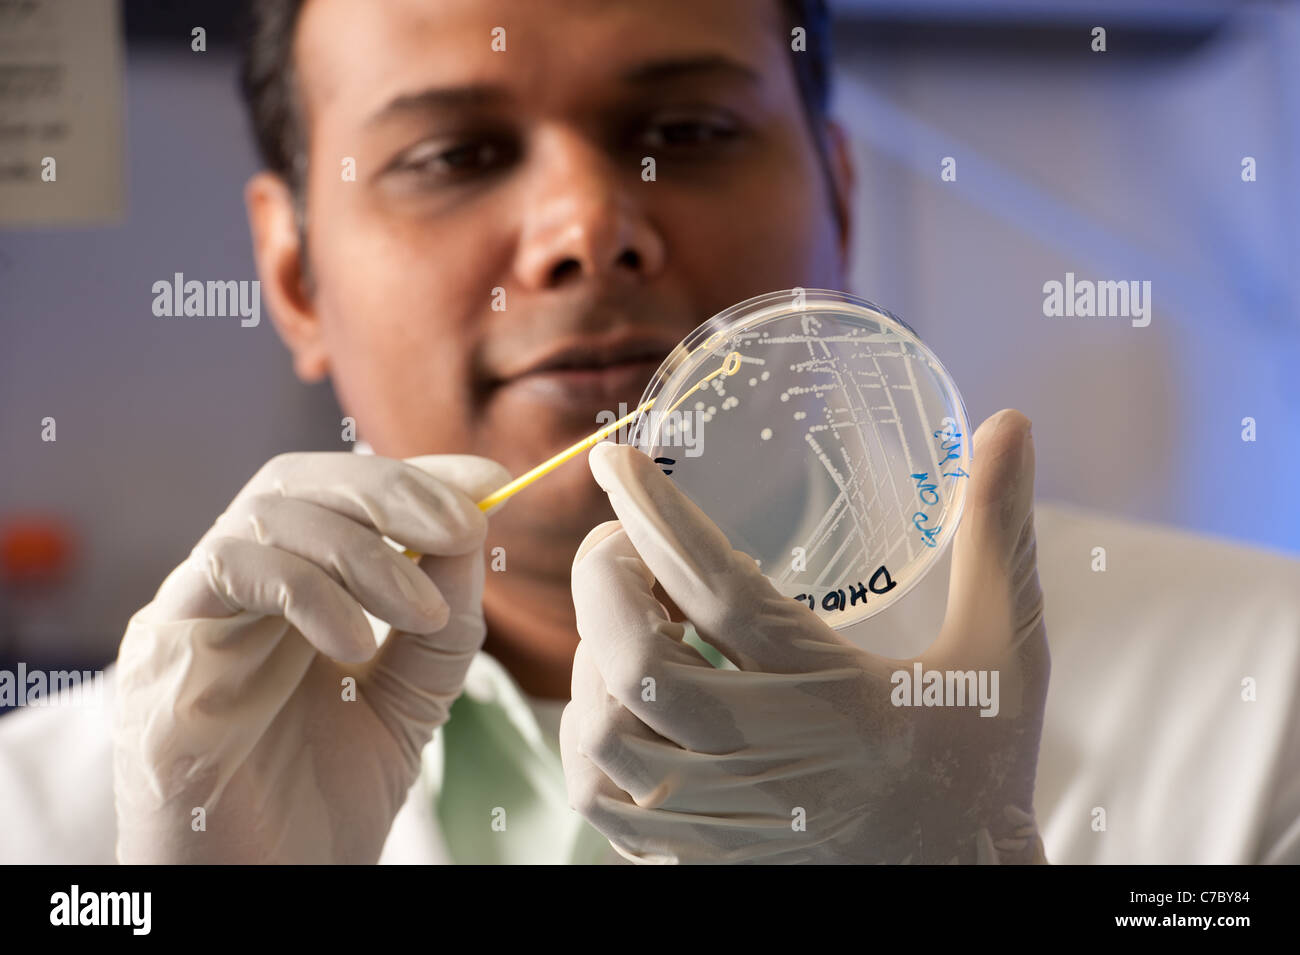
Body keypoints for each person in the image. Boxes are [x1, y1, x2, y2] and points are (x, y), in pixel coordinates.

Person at [3, 0, 1298, 865]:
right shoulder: (50, 813)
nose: (587, 226)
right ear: (293, 280)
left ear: (841, 205)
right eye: (454, 155)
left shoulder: (1272, 694)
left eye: (686, 132)